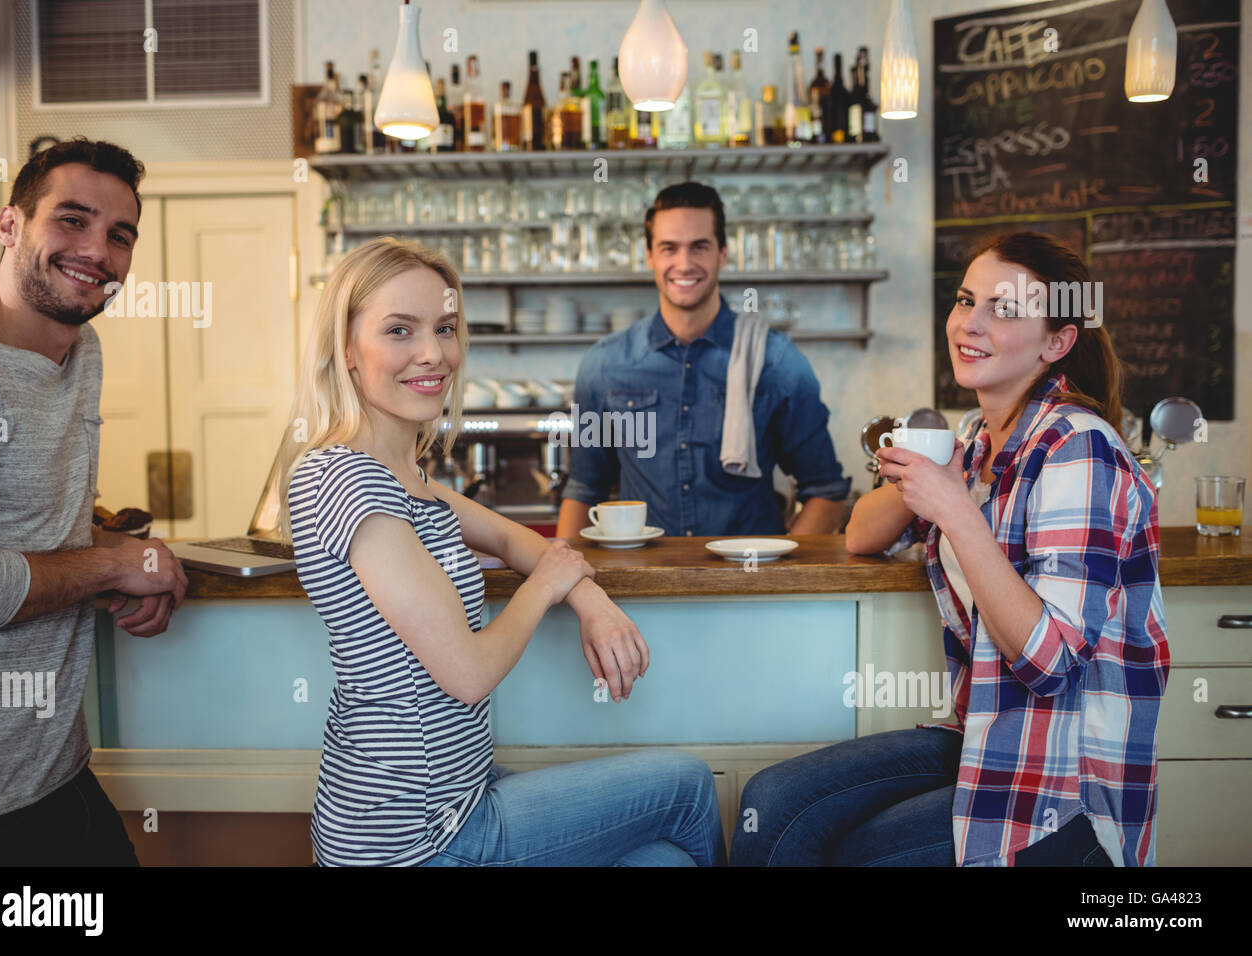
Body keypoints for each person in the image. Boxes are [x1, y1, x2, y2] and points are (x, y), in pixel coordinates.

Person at [280, 236, 724, 867]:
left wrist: (589, 596)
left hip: (459, 792)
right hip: (412, 835)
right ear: (346, 350)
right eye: (400, 331)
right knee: (686, 786)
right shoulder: (344, 476)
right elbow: (468, 673)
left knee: (663, 862)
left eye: (446, 327)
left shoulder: (409, 481)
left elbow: (514, 539)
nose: (433, 353)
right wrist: (550, 583)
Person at [731, 233, 1168, 866]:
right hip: (981, 730)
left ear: (1056, 342)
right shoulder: (978, 437)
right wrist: (917, 474)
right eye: (966, 300)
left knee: (848, 854)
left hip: (1064, 778)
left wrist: (957, 511)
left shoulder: (1079, 447)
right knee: (769, 806)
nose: (971, 323)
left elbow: (1054, 665)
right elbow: (861, 536)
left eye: (1006, 309)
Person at [0, 138, 188, 865]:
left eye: (120, 235)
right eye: (72, 219)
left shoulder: (79, 352)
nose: (98, 250)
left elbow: (31, 519)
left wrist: (126, 549)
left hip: (54, 770)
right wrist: (111, 567)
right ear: (10, 225)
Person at [555, 181, 849, 539]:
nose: (684, 263)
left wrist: (779, 574)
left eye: (699, 247)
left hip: (748, 583)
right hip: (639, 583)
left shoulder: (778, 361)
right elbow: (584, 490)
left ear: (722, 253)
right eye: (669, 248)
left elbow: (827, 491)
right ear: (649, 256)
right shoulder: (603, 365)